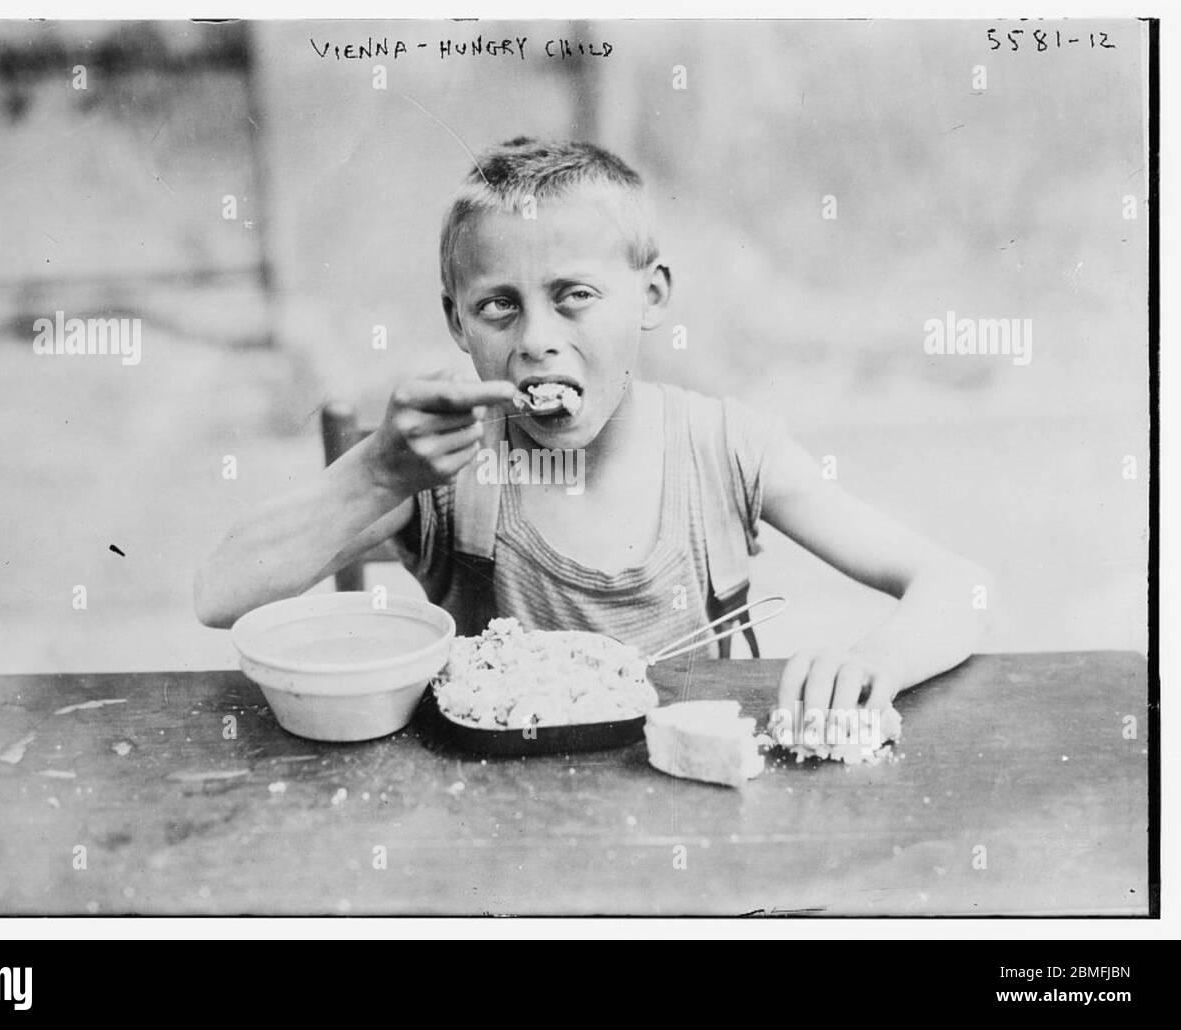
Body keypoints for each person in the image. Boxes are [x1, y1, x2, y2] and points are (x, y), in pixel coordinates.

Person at [195, 137, 992, 746]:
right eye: (499, 307)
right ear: (456, 325)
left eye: (574, 296)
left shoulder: (723, 447)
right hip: (509, 832)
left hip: (703, 803)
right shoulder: (442, 469)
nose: (539, 340)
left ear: (651, 296)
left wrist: (875, 662)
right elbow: (220, 594)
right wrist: (375, 472)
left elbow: (960, 586)